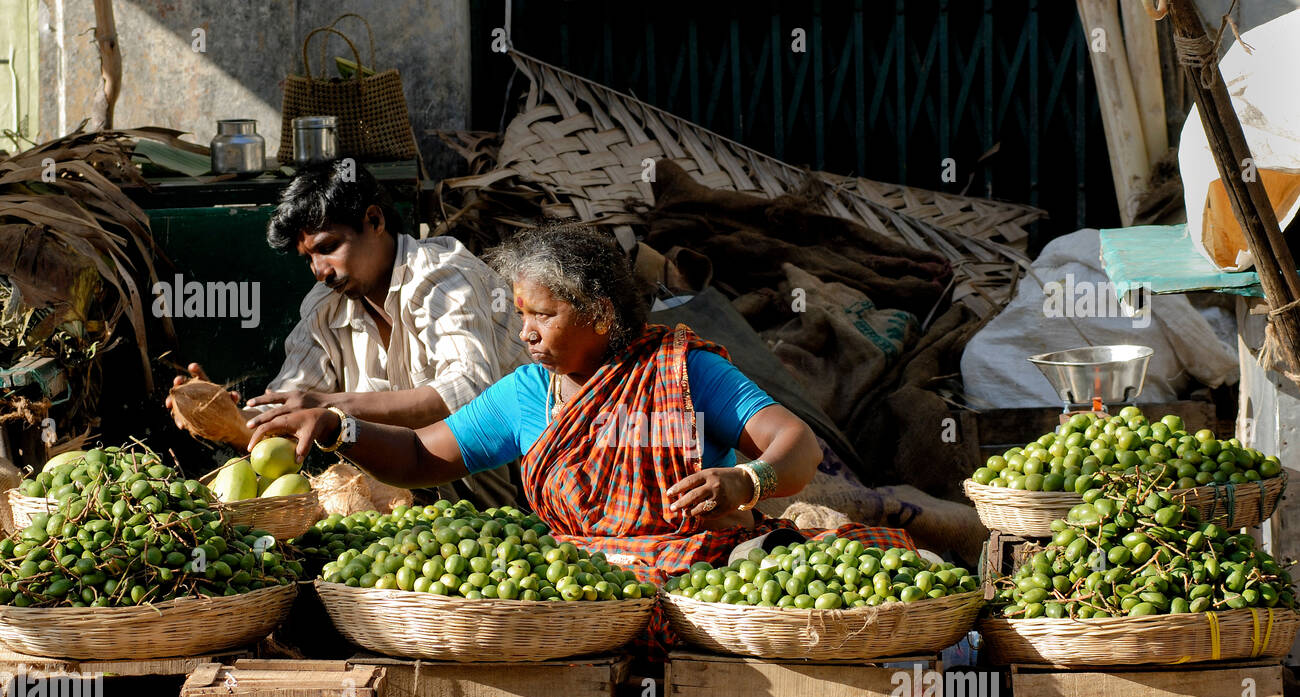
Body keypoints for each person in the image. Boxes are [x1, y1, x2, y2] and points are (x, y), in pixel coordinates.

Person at [248, 223, 915, 580]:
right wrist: (340, 427)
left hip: (700, 580)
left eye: (543, 314)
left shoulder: (680, 372)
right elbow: (423, 455)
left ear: (599, 313)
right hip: (587, 600)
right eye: (520, 313)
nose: (526, 331)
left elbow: (795, 446)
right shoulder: (526, 394)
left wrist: (746, 480)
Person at [166, 160, 529, 506]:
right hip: (411, 510)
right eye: (308, 258)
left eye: (327, 248)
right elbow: (292, 411)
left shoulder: (443, 278)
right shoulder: (324, 305)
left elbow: (469, 393)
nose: (319, 270)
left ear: (374, 220)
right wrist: (219, 416)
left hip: (508, 497)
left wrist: (330, 406)